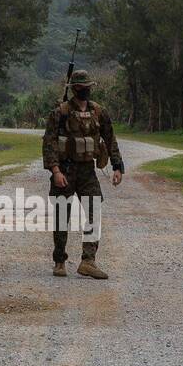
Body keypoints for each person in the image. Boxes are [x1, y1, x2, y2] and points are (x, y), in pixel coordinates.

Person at [42, 70, 125, 279]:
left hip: (87, 170)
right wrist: (56, 171)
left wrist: (118, 166)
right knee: (62, 217)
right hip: (65, 170)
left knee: (94, 211)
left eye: (87, 86)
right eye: (81, 87)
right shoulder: (60, 113)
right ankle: (59, 260)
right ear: (74, 89)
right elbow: (49, 144)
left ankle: (88, 261)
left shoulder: (99, 112)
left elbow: (110, 138)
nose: (85, 90)